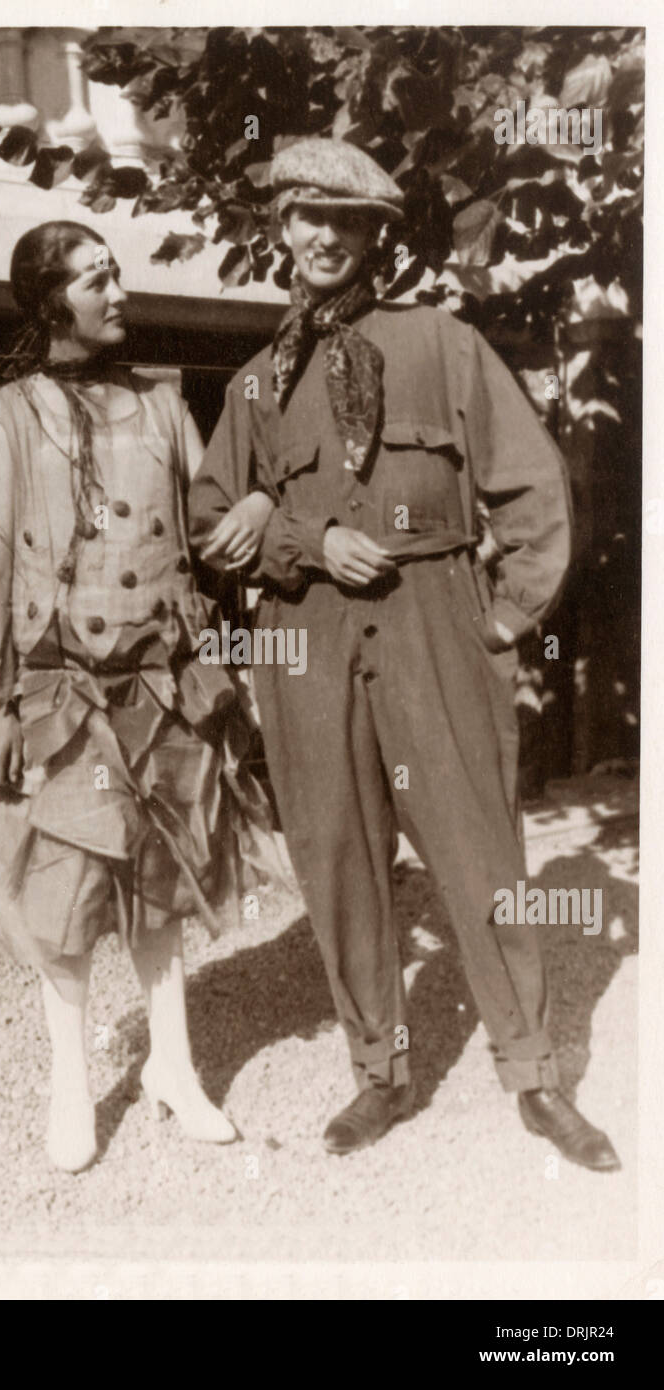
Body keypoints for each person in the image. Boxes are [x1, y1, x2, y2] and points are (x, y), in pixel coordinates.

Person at [188, 137, 620, 1171]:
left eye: (343, 220)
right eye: (302, 218)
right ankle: (378, 1072)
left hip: (434, 616)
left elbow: (529, 487)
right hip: (303, 637)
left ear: (375, 234)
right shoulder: (255, 385)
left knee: (480, 850)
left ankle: (535, 1075)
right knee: (337, 855)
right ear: (281, 231)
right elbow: (209, 521)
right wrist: (296, 535)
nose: (320, 237)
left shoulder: (441, 343)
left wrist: (505, 620)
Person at [0, 220, 280, 1172]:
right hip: (61, 691)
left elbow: (211, 507)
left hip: (165, 683)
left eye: (117, 273)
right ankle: (68, 1087)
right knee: (65, 888)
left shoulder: (164, 404)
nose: (117, 291)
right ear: (51, 299)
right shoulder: (10, 413)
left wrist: (254, 508)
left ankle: (173, 1070)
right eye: (96, 278)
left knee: (162, 881)